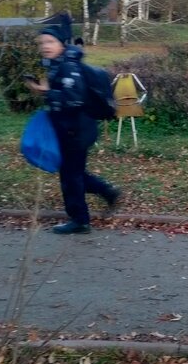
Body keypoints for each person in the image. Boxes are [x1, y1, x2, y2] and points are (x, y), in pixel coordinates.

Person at [27, 25, 120, 234]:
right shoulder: (57, 64)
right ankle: (107, 192)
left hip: (76, 130)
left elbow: (74, 100)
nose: (45, 46)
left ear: (61, 43)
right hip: (72, 128)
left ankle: (80, 220)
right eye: (42, 43)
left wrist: (47, 92)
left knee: (71, 176)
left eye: (50, 42)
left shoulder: (68, 66)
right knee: (72, 173)